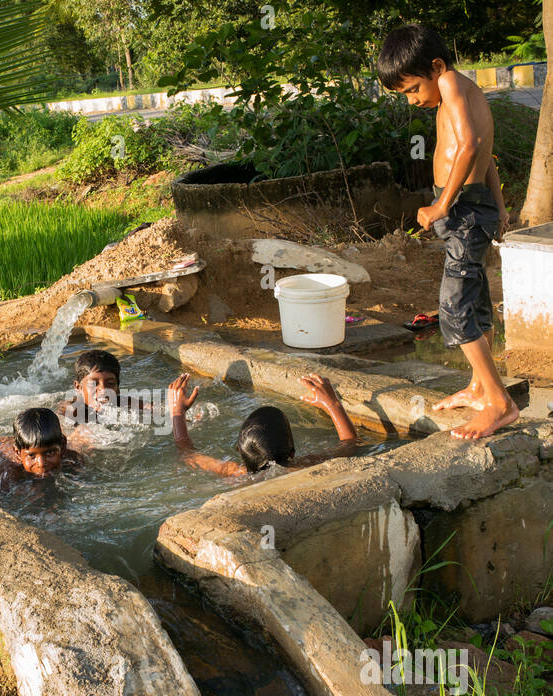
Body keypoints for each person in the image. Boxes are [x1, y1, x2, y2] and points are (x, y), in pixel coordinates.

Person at [376, 24, 518, 440]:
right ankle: (479, 386)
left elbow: (472, 144)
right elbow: (485, 155)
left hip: (464, 209)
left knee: (454, 307)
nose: (413, 99)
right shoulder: (455, 92)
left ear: (436, 66)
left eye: (412, 89)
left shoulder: (452, 82)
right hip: (472, 207)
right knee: (473, 297)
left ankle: (498, 402)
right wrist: (502, 205)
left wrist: (441, 204)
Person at [168, 372, 357, 478]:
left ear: (240, 452)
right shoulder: (304, 466)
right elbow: (349, 444)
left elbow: (187, 453)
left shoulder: (236, 472)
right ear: (292, 453)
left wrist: (177, 411)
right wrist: (332, 404)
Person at [0, 407, 84, 491]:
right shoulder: (10, 473)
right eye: (32, 456)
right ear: (17, 453)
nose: (41, 463)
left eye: (49, 453)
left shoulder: (73, 459)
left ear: (63, 446)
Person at [56, 349, 121, 424]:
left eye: (110, 383)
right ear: (78, 388)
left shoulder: (124, 405)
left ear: (118, 389)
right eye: (93, 384)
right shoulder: (72, 412)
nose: (103, 389)